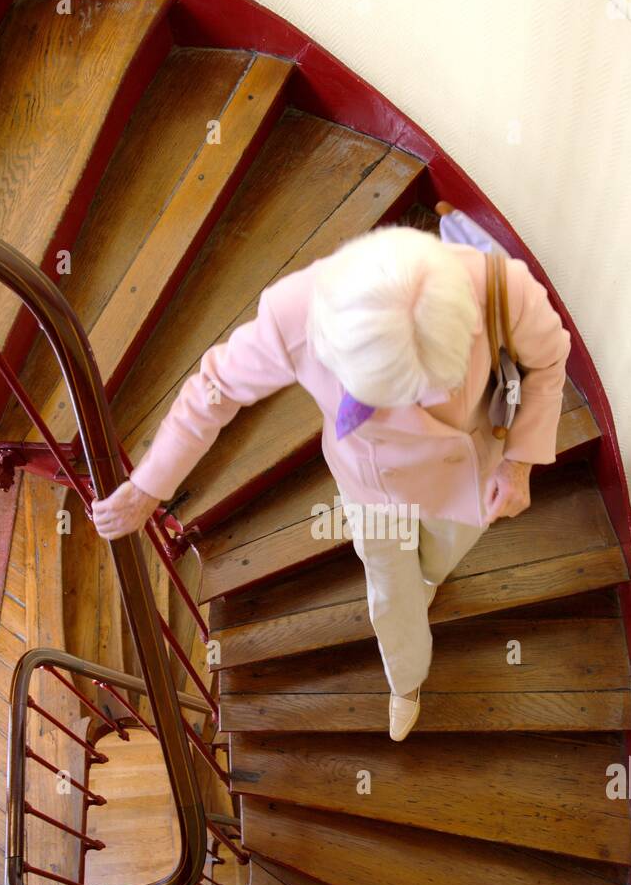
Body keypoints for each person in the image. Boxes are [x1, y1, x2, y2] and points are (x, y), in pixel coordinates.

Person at [92, 223, 571, 741]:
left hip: (469, 472)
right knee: (390, 589)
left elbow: (548, 361)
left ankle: (429, 581)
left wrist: (518, 463)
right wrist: (147, 488)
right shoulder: (295, 313)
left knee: (436, 563)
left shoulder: (502, 288)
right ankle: (406, 679)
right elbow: (215, 389)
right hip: (372, 487)